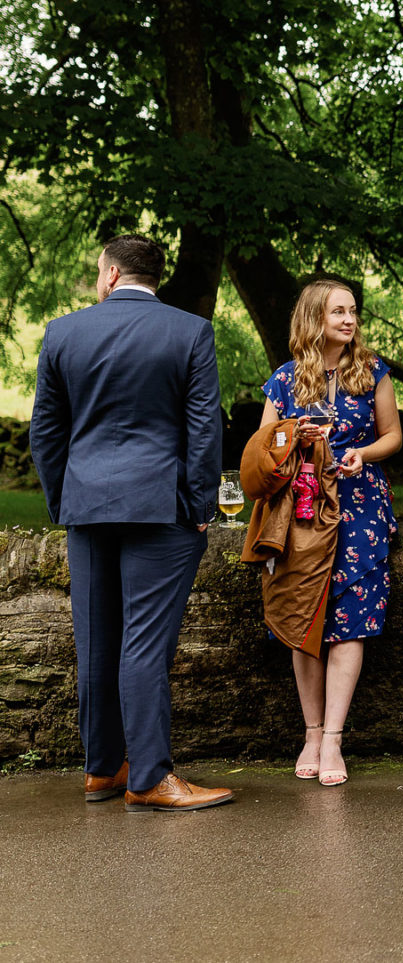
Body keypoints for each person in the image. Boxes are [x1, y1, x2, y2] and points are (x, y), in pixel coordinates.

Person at [30, 234, 233, 811]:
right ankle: (147, 778)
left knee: (96, 641)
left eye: (99, 272)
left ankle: (102, 770)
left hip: (88, 507)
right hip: (158, 509)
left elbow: (45, 432)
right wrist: (199, 509)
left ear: (112, 274)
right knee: (143, 644)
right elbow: (204, 432)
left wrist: (64, 502)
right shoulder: (188, 331)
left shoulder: (64, 332)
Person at [258, 279, 401, 787]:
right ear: (313, 318)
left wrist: (363, 454)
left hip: (360, 508)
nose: (348, 319)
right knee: (304, 618)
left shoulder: (372, 372)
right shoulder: (284, 380)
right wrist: (296, 438)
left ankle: (335, 738)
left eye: (353, 311)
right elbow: (265, 448)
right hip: (303, 509)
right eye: (337, 311)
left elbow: (394, 437)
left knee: (352, 620)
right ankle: (311, 732)